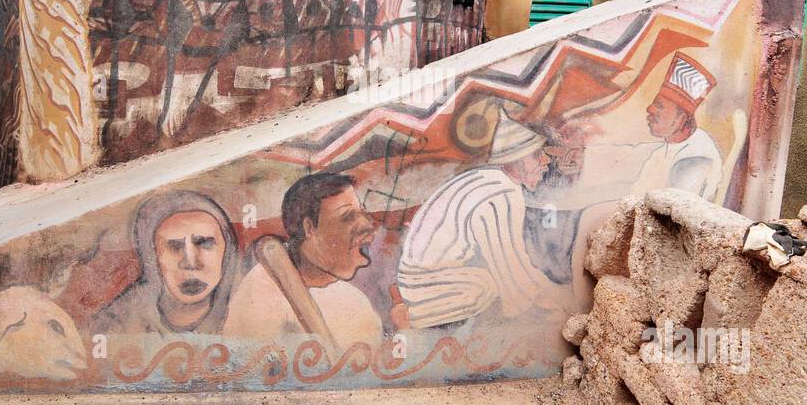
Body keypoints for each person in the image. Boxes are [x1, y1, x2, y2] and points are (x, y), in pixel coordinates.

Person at [393, 106, 574, 330]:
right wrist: (559, 301)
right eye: (536, 155)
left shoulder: (492, 181)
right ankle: (411, 317)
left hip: (422, 275)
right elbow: (510, 267)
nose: (545, 161)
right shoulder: (499, 193)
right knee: (484, 287)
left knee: (488, 283)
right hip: (424, 282)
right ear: (515, 160)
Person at [223, 172, 383, 346]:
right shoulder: (259, 292)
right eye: (347, 217)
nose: (367, 226)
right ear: (309, 228)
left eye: (362, 213)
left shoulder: (358, 304)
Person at [92, 192, 238, 335]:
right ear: (152, 256)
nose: (191, 263)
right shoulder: (114, 326)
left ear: (227, 250)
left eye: (204, 243)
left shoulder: (248, 309)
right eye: (174, 246)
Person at [629, 53, 724, 199]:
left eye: (659, 106)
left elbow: (672, 213)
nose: (650, 109)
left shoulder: (696, 158)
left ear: (682, 118)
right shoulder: (662, 152)